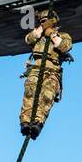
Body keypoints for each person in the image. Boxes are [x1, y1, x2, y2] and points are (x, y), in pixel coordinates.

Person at [19, 10, 72, 138]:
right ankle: (25, 122)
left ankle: (38, 122)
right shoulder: (38, 36)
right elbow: (28, 39)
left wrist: (52, 34)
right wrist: (42, 28)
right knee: (30, 94)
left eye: (46, 21)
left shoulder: (63, 35)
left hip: (52, 70)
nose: (44, 23)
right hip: (36, 68)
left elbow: (65, 46)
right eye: (42, 21)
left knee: (46, 97)